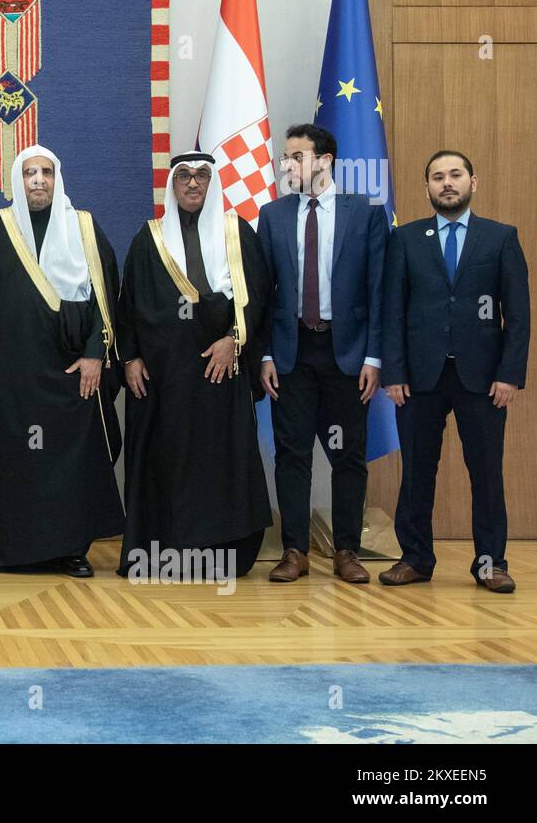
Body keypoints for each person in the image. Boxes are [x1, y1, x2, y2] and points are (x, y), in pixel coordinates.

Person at [0, 145, 124, 577]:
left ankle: (71, 549)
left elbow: (105, 299)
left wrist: (95, 355)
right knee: (13, 458)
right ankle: (3, 550)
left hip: (72, 372)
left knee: (68, 462)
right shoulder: (1, 226)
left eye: (46, 172)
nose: (38, 180)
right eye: (30, 173)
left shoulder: (85, 227)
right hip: (14, 373)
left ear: (58, 178)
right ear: (18, 179)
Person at [117, 150, 272, 580]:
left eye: (202, 176)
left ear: (212, 183)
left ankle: (223, 554)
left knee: (218, 459)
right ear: (172, 184)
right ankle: (162, 552)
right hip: (162, 380)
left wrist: (233, 341)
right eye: (183, 176)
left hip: (219, 374)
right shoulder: (149, 239)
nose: (192, 184)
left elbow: (257, 297)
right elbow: (126, 307)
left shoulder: (236, 234)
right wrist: (129, 357)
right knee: (165, 460)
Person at [380, 150, 529, 593]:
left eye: (455, 175)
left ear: (473, 182)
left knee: (486, 473)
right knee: (417, 471)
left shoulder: (500, 237)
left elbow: (517, 315)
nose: (447, 183)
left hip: (483, 380)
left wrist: (509, 374)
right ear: (426, 187)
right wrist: (393, 372)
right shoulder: (405, 240)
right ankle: (415, 558)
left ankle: (490, 563)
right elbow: (392, 312)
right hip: (418, 379)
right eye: (438, 177)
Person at [257, 124, 388, 584]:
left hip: (346, 355)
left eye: (296, 157)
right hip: (291, 352)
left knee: (348, 455)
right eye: (286, 158)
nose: (288, 165)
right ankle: (294, 550)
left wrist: (374, 358)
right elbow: (264, 293)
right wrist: (265, 355)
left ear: (325, 160)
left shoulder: (364, 214)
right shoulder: (272, 215)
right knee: (291, 455)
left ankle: (347, 551)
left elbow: (378, 290)